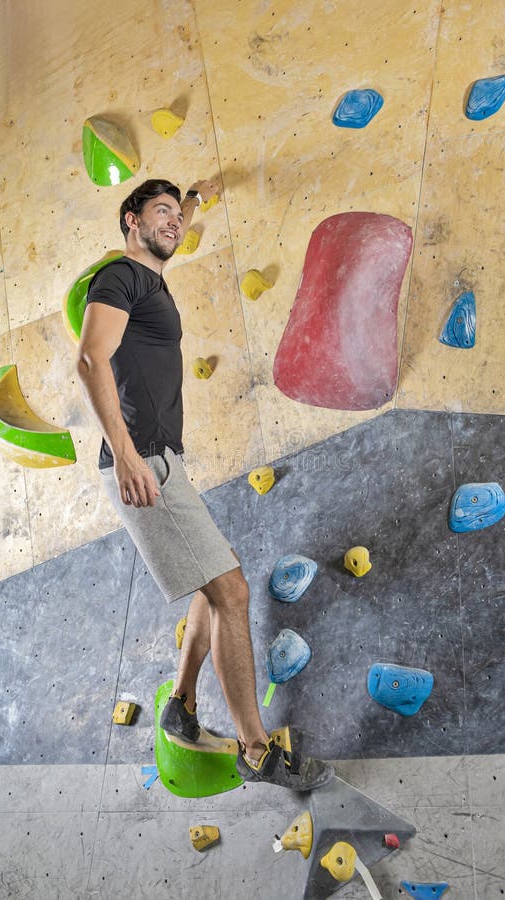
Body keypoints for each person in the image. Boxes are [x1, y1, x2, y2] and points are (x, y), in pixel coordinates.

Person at [76, 178, 333, 790]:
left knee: (210, 582)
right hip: (145, 466)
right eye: (158, 212)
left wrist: (195, 198)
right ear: (129, 220)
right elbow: (89, 359)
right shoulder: (120, 277)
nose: (173, 222)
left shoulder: (152, 275)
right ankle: (256, 749)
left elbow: (179, 229)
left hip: (166, 461)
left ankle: (184, 705)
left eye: (175, 214)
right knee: (232, 591)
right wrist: (128, 454)